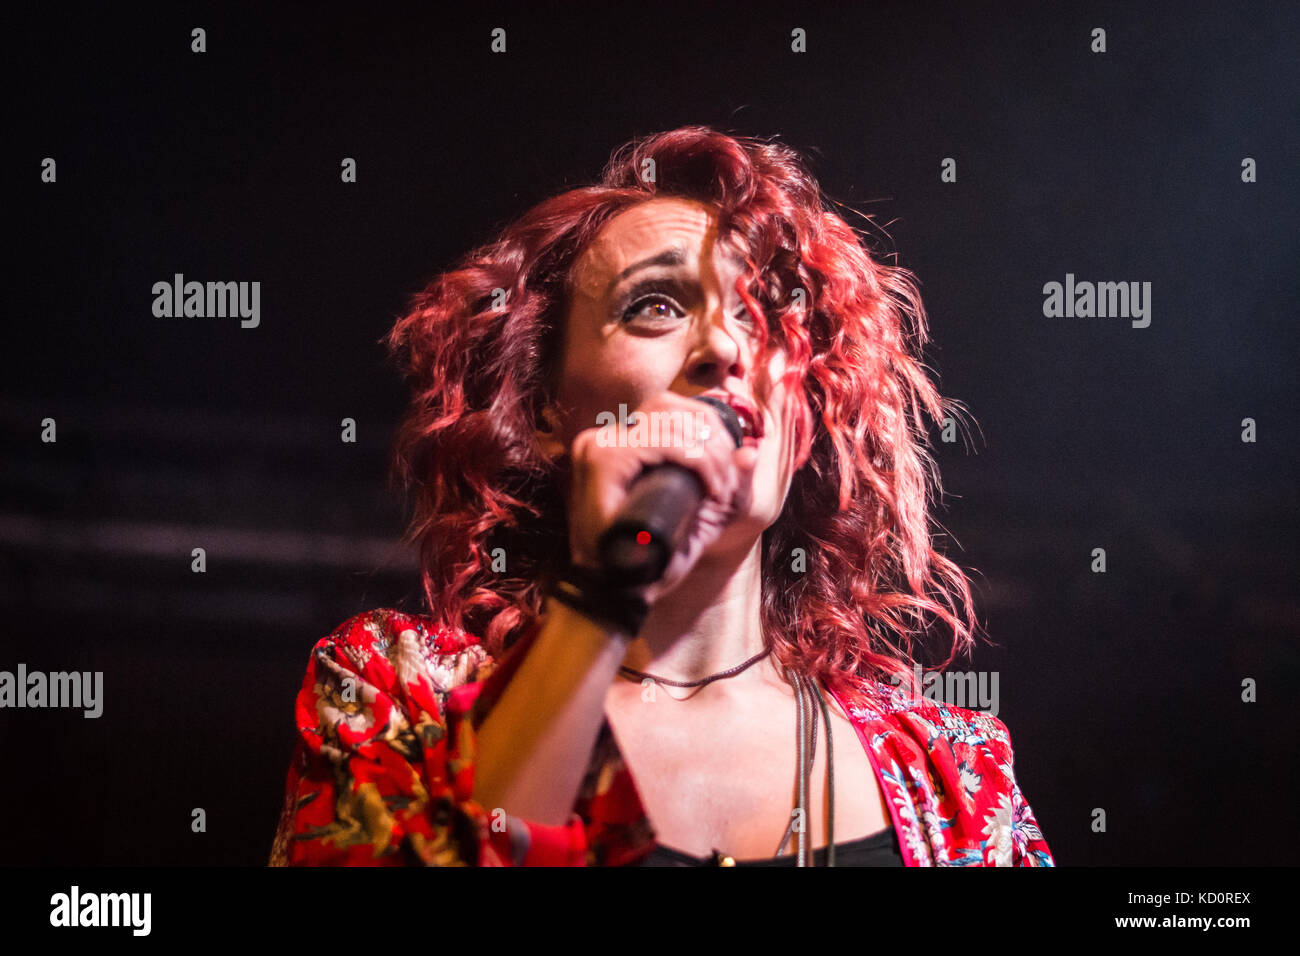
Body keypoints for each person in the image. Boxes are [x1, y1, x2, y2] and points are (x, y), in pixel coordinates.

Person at [268, 126, 1055, 867]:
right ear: (545, 411)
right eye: (656, 306)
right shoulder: (398, 693)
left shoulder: (955, 773)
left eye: (762, 314)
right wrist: (603, 597)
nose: (724, 348)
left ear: (805, 418)